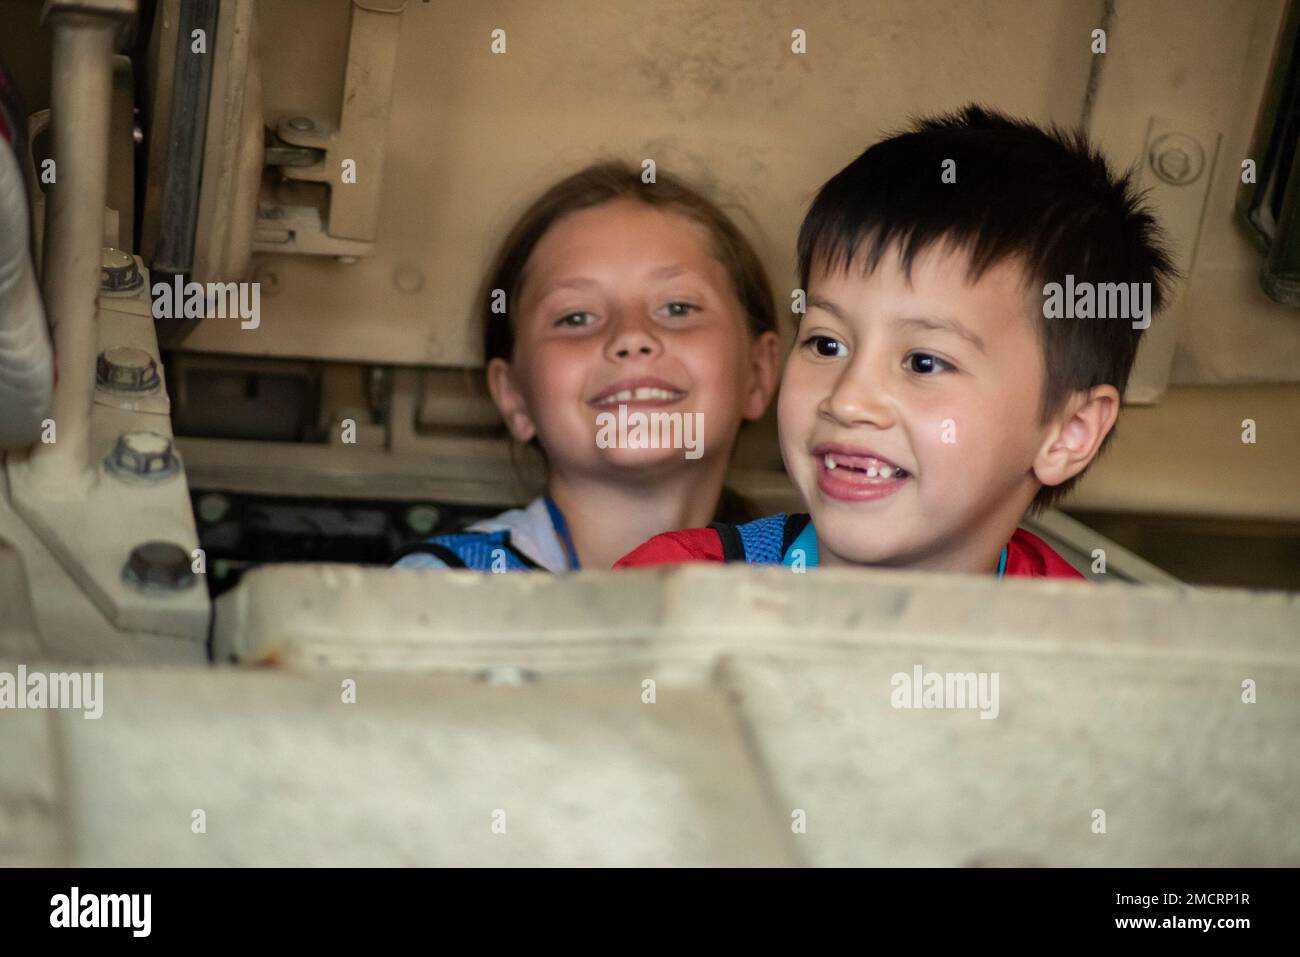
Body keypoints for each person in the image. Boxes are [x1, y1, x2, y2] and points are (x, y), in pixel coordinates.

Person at [616, 105, 1176, 579]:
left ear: (1067, 433)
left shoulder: (1088, 651)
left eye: (924, 362)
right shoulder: (676, 591)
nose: (848, 400)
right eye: (827, 345)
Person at [392, 161, 781, 571]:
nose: (631, 337)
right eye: (575, 318)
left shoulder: (812, 589)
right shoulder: (441, 589)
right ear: (514, 397)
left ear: (758, 373)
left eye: (678, 307)